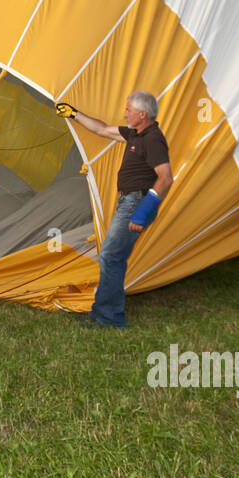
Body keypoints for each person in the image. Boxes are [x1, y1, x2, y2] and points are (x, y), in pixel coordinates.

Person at [54, 91, 173, 328]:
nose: (124, 112)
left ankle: (109, 318)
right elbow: (103, 129)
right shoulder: (135, 134)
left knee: (111, 256)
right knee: (112, 257)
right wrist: (75, 114)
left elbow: (166, 177)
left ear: (142, 114)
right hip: (128, 202)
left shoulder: (153, 139)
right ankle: (102, 313)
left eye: (128, 109)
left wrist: (143, 210)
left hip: (136, 203)